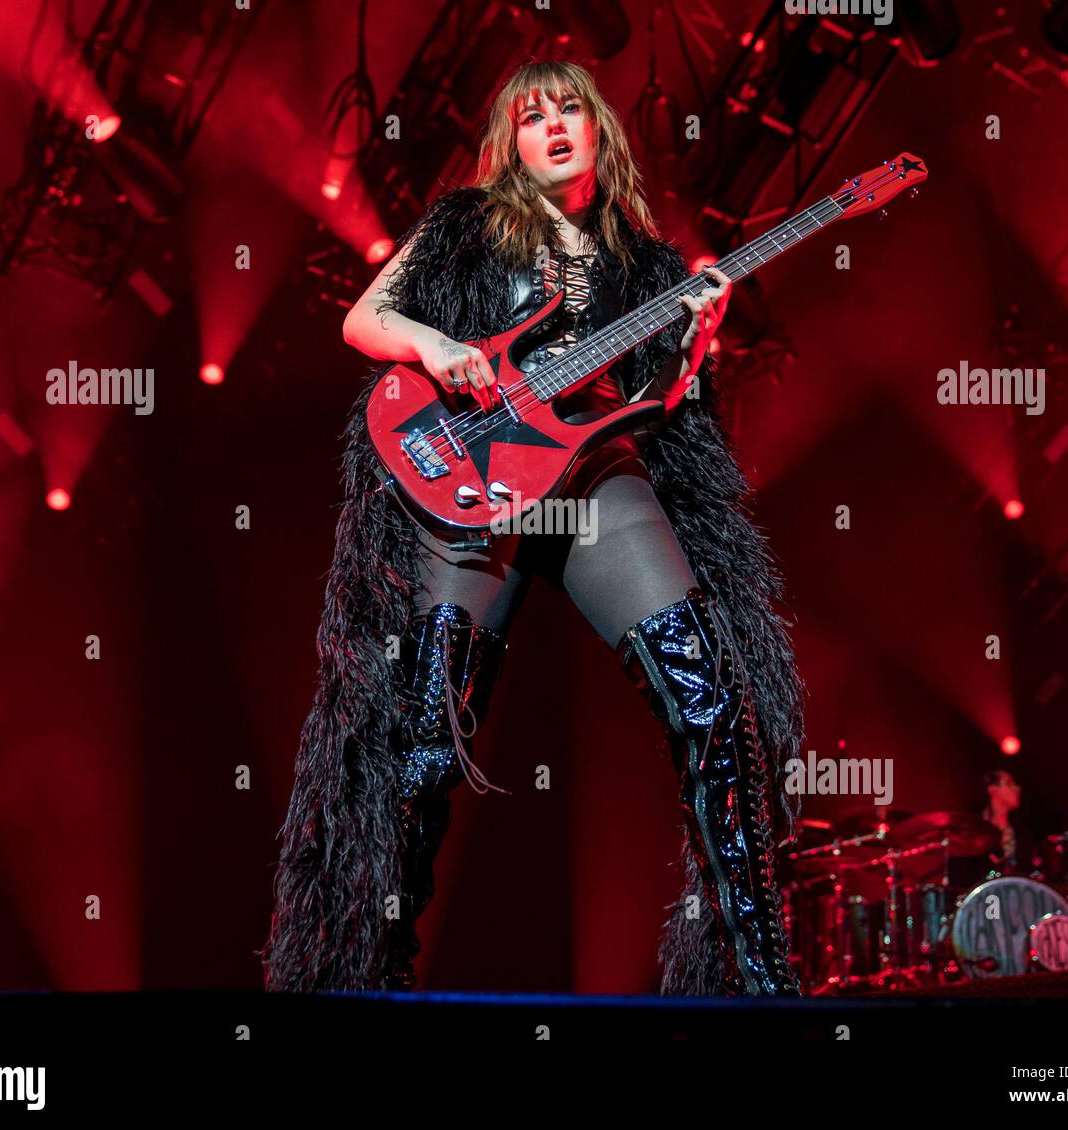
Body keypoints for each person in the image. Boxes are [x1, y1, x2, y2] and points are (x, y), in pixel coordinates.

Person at [260, 60, 806, 997]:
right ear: (509, 144)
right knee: (428, 733)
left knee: (712, 697)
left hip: (592, 475)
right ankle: (377, 976)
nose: (552, 128)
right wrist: (437, 345)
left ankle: (759, 975)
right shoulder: (466, 224)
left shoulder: (645, 259)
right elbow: (365, 319)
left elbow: (661, 409)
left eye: (569, 112)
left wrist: (697, 338)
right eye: (529, 117)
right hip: (474, 474)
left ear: (600, 131)